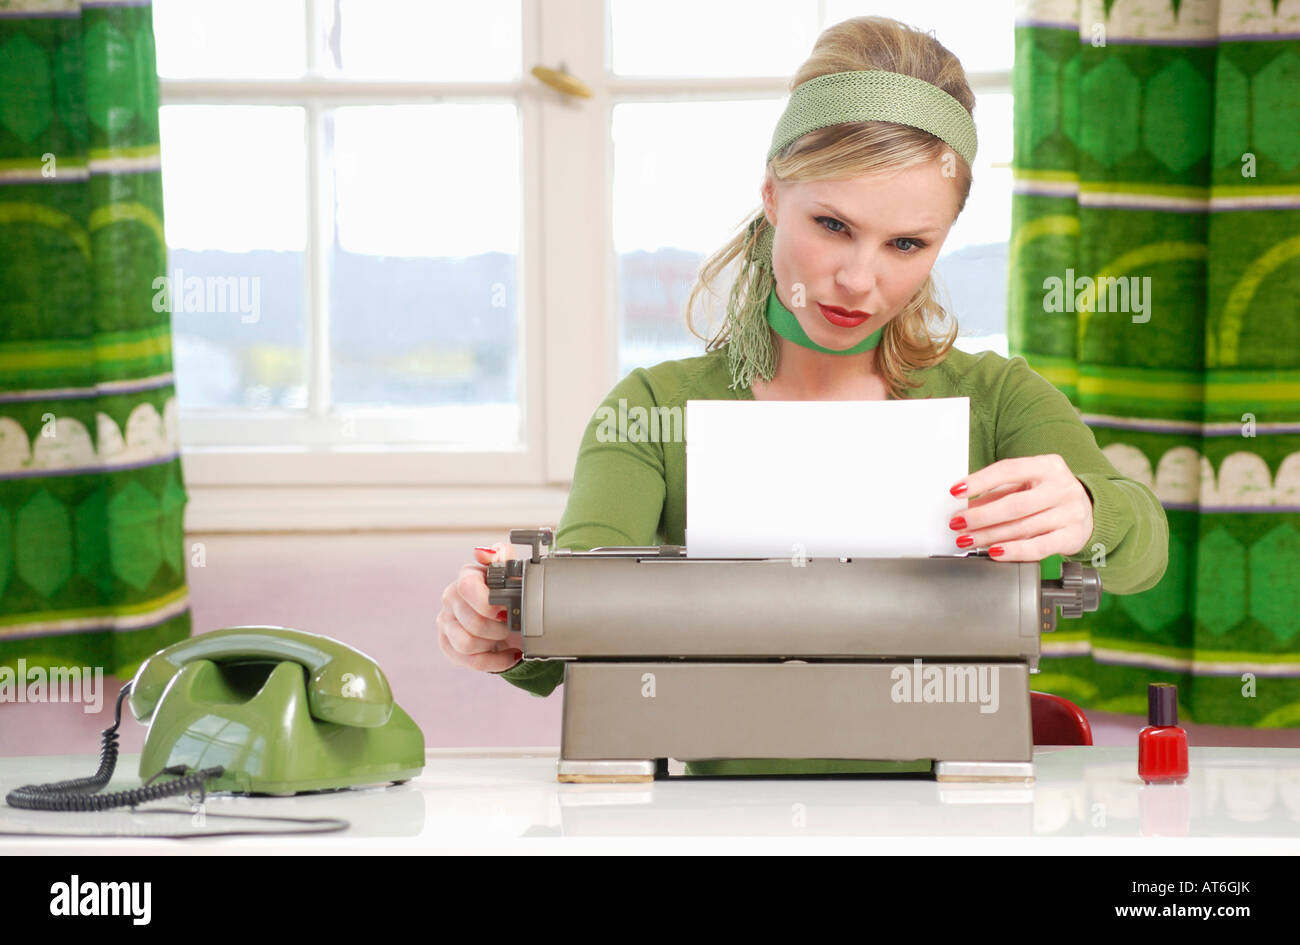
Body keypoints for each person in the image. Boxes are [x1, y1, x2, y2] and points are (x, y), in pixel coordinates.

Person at [437, 16, 1169, 775]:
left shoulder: (998, 397)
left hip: (957, 815)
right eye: (832, 224)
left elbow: (1142, 553)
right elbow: (566, 643)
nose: (858, 280)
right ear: (772, 195)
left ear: (944, 238)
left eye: (907, 244)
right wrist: (500, 627)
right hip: (709, 828)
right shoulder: (653, 409)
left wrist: (1088, 509)